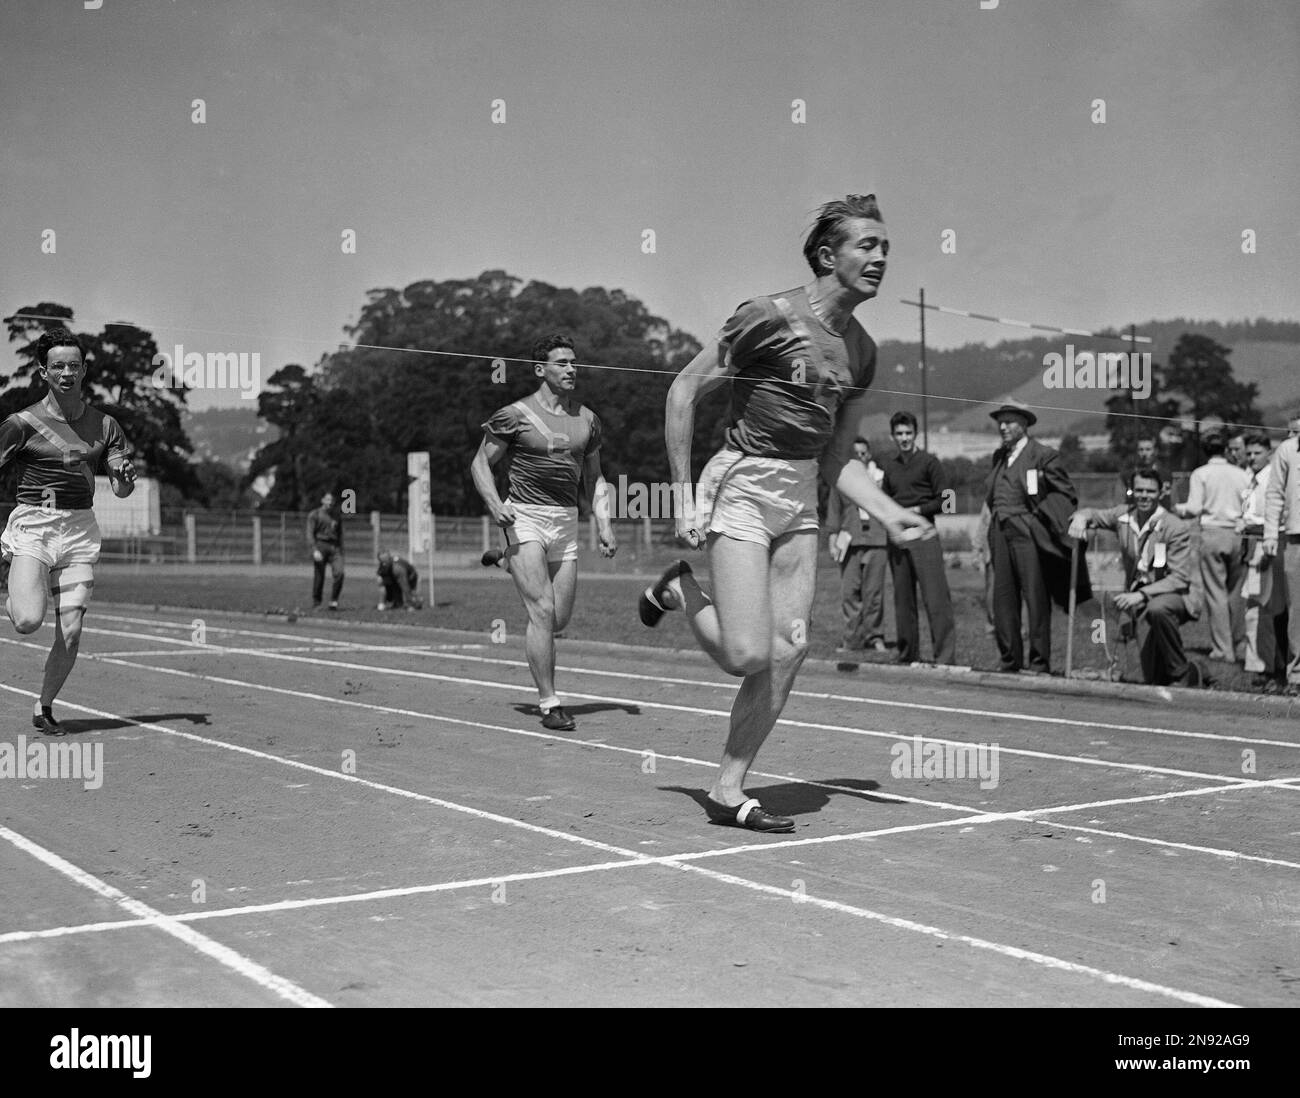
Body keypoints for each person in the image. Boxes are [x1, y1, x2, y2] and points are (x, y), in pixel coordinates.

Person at [639, 194, 934, 833]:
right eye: (868, 245)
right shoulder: (767, 317)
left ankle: (727, 787)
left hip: (800, 493)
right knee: (746, 654)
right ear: (828, 255)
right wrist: (684, 492)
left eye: (886, 247)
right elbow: (684, 389)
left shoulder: (862, 350)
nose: (881, 257)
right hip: (742, 483)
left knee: (792, 647)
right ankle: (679, 588)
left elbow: (834, 456)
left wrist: (887, 511)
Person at [470, 334, 617, 731]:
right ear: (541, 369)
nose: (572, 369)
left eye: (574, 362)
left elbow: (596, 476)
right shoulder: (513, 415)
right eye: (562, 363)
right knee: (542, 611)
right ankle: (550, 703)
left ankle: (506, 561)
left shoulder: (587, 419)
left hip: (565, 521)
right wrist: (494, 503)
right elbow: (480, 465)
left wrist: (603, 523)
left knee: (560, 619)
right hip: (524, 518)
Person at [0, 328, 137, 735]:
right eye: (57, 365)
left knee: (72, 630)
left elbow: (121, 488)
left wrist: (125, 475)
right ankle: (10, 567)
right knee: (26, 621)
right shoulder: (21, 423)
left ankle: (44, 707)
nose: (66, 373)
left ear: (84, 370)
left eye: (73, 366)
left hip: (79, 529)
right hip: (35, 526)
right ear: (44, 371)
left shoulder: (105, 425)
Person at [983, 401, 1090, 674]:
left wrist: (1041, 517)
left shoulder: (1043, 455)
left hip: (1028, 532)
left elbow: (1066, 494)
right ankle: (1010, 659)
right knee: (1003, 598)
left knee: (1035, 597)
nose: (1003, 427)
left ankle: (1039, 662)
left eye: (1009, 421)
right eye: (1001, 422)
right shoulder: (999, 457)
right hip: (1000, 530)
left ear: (1025, 424)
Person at [1069, 468, 1202, 687]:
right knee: (1153, 679)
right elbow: (1094, 514)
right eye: (1139, 490)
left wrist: (1140, 595)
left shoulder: (1174, 526)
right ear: (1131, 491)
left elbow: (1179, 578)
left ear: (1160, 493)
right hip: (1140, 600)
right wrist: (1082, 517)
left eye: (1150, 491)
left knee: (1158, 609)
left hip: (1177, 595)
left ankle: (1182, 673)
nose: (1144, 495)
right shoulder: (1123, 516)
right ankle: (1196, 670)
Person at [881, 411, 955, 664]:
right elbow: (884, 502)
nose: (904, 438)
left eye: (908, 433)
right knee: (903, 602)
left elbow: (948, 501)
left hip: (925, 536)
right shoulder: (889, 466)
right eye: (899, 434)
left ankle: (944, 658)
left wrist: (917, 511)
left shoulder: (930, 462)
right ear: (893, 436)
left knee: (936, 600)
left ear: (916, 434)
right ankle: (907, 655)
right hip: (899, 539)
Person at [1176, 432, 1250, 662]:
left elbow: (1195, 507)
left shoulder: (1201, 474)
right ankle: (1239, 645)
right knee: (1236, 592)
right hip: (1238, 533)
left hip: (1213, 532)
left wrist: (1178, 508)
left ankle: (1222, 648)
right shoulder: (1241, 474)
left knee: (1215, 593)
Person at [825, 437, 889, 652]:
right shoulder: (841, 481)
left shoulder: (880, 478)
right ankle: (852, 639)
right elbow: (834, 512)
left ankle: (875, 636)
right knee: (849, 593)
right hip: (850, 541)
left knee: (874, 594)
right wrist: (833, 538)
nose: (860, 457)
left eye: (863, 453)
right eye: (855, 454)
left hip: (877, 541)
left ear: (869, 455)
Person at [1239, 432, 1286, 687]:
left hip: (1265, 544)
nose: (1252, 458)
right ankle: (1260, 663)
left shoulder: (1272, 479)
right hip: (1251, 544)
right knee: (1254, 608)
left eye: (1257, 453)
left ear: (1269, 452)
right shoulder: (1251, 478)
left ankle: (1270, 665)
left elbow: (1273, 518)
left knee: (1266, 609)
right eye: (1248, 453)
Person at [1262, 410, 1300, 695]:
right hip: (1295, 537)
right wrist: (1271, 534)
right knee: (1296, 611)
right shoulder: (1287, 450)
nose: (1294, 436)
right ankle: (1296, 674)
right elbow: (1274, 494)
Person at [306, 491, 345, 610]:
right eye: (328, 500)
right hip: (320, 545)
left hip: (334, 547)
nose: (330, 503)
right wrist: (314, 549)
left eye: (332, 500)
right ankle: (316, 602)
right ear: (322, 500)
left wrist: (341, 549)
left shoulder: (337, 515)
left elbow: (340, 533)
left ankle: (333, 601)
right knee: (319, 576)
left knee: (340, 572)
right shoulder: (315, 514)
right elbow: (309, 533)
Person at [1121, 436, 1173, 509]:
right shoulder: (1127, 475)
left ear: (1155, 451)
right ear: (1137, 451)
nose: (1144, 453)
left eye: (1148, 449)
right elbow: (1122, 501)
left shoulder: (1165, 474)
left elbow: (1171, 501)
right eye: (1141, 449)